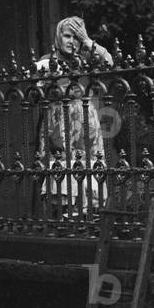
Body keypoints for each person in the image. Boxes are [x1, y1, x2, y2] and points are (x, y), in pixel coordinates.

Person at [36, 16, 114, 217]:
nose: (72, 42)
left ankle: (89, 215)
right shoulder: (48, 60)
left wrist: (87, 40)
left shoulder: (86, 58)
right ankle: (66, 218)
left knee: (89, 169)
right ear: (58, 37)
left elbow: (109, 62)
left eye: (76, 37)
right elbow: (37, 92)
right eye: (67, 36)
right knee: (63, 174)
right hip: (59, 122)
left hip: (86, 122)